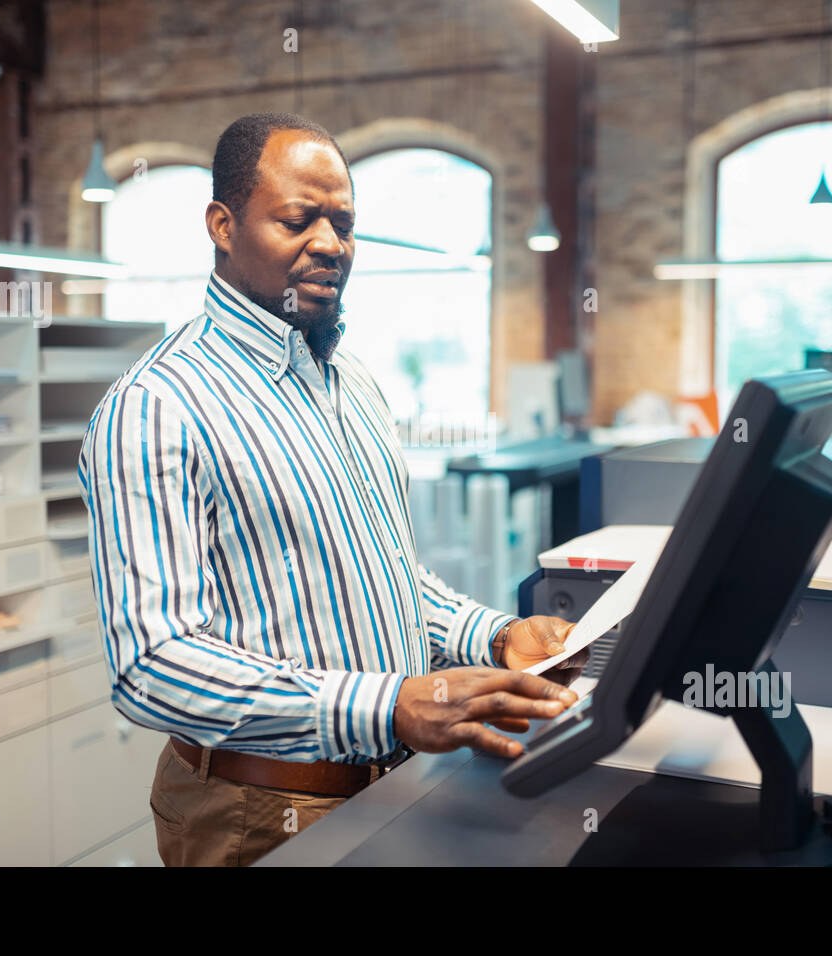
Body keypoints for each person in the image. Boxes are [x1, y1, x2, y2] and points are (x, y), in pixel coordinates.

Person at [78, 112, 584, 867]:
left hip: (396, 782)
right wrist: (388, 706)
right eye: (297, 219)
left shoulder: (349, 380)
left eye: (343, 222)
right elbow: (152, 665)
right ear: (222, 225)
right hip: (259, 810)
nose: (329, 244)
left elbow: (383, 575)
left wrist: (494, 634)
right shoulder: (157, 406)